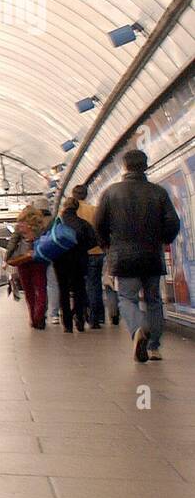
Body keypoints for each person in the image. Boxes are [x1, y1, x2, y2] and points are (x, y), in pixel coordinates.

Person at [95, 149, 182, 362]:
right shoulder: (158, 192)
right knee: (153, 300)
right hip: (152, 254)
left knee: (127, 298)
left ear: (124, 166)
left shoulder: (110, 192)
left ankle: (138, 328)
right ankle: (154, 348)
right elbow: (172, 222)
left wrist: (107, 244)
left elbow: (99, 224)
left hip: (123, 256)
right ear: (146, 166)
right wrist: (163, 240)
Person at [51, 197, 98, 333]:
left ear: (64, 208)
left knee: (63, 291)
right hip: (79, 261)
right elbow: (94, 241)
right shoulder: (83, 224)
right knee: (79, 290)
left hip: (60, 261)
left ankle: (67, 324)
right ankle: (80, 321)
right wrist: (82, 248)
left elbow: (47, 239)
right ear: (76, 208)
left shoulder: (56, 223)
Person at [7, 202, 49, 328]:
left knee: (35, 289)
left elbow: (13, 242)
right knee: (36, 289)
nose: (19, 225)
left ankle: (38, 316)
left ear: (29, 222)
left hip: (32, 262)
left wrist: (9, 256)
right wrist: (7, 257)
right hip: (29, 262)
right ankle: (35, 316)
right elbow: (12, 243)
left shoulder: (40, 231)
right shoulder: (41, 229)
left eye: (22, 222)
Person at [71, 184, 107, 328]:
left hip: (79, 253)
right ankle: (96, 317)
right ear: (86, 195)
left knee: (81, 286)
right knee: (95, 285)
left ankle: (86, 315)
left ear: (73, 196)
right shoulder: (94, 210)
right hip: (97, 252)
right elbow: (101, 229)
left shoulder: (69, 212)